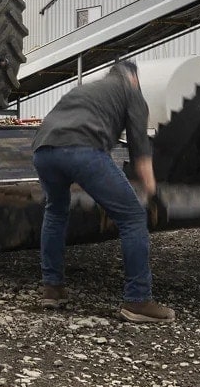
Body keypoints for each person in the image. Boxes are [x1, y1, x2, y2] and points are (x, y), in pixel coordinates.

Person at [31, 60, 174, 323]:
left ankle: (53, 288)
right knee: (132, 217)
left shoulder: (84, 89)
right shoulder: (131, 92)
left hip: (43, 150)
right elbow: (140, 148)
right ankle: (138, 300)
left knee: (56, 211)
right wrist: (153, 192)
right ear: (133, 78)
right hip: (82, 149)